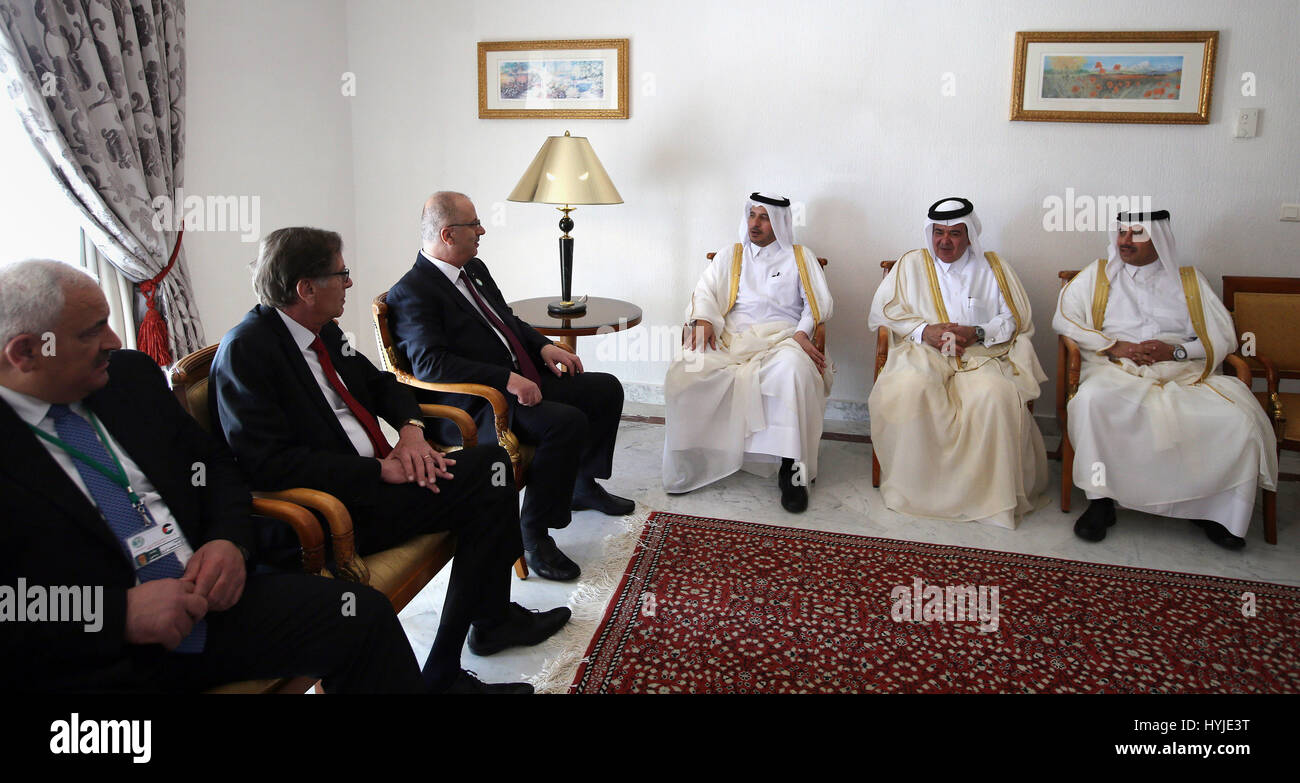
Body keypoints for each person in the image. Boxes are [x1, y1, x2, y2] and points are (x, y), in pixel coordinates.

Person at [0, 259, 440, 693]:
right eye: (91, 331)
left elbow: (212, 467)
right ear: (24, 352)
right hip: (92, 656)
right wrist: (117, 614)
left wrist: (228, 540)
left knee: (361, 617)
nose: (114, 340)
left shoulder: (128, 378)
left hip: (212, 599)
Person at [209, 227, 569, 693]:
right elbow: (269, 465)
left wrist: (413, 433)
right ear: (306, 288)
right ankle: (465, 649)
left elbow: (382, 384)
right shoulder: (248, 352)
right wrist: (379, 469)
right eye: (342, 274)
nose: (350, 283)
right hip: (331, 514)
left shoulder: (321, 331)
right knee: (488, 484)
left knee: (490, 468)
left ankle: (482, 630)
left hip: (380, 479)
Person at [386, 192, 633, 582]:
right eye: (474, 225)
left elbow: (508, 321)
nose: (482, 230)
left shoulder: (475, 268)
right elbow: (430, 363)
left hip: (519, 382)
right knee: (564, 423)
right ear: (448, 234)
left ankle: (581, 484)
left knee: (605, 389)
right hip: (475, 406)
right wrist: (506, 379)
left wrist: (545, 345)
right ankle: (533, 534)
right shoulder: (413, 292)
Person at [1052, 210, 1277, 548]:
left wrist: (1175, 353)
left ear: (1159, 239)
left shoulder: (1189, 281)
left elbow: (1223, 336)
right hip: (1117, 368)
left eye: (1136, 234)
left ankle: (1214, 511)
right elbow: (1067, 321)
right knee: (1091, 401)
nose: (1126, 241)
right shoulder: (1097, 276)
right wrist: (1116, 345)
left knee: (1236, 420)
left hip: (1182, 371)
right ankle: (1101, 502)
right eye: (1122, 233)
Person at [868, 198, 1048, 528]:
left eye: (954, 233)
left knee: (995, 396)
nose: (945, 241)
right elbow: (882, 312)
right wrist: (925, 331)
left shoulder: (994, 268)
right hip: (923, 351)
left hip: (980, 354)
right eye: (938, 233)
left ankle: (987, 498)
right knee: (910, 387)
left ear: (969, 235)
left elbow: (1014, 319)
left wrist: (977, 330)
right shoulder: (911, 265)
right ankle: (917, 490)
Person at [662, 192, 833, 512]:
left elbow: (815, 306)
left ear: (780, 222)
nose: (755, 224)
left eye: (764, 217)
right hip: (731, 337)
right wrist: (704, 320)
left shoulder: (800, 257)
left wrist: (801, 334)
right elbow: (705, 292)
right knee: (687, 367)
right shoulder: (731, 255)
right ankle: (692, 459)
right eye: (752, 215)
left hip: (782, 338)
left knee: (793, 371)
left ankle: (791, 469)